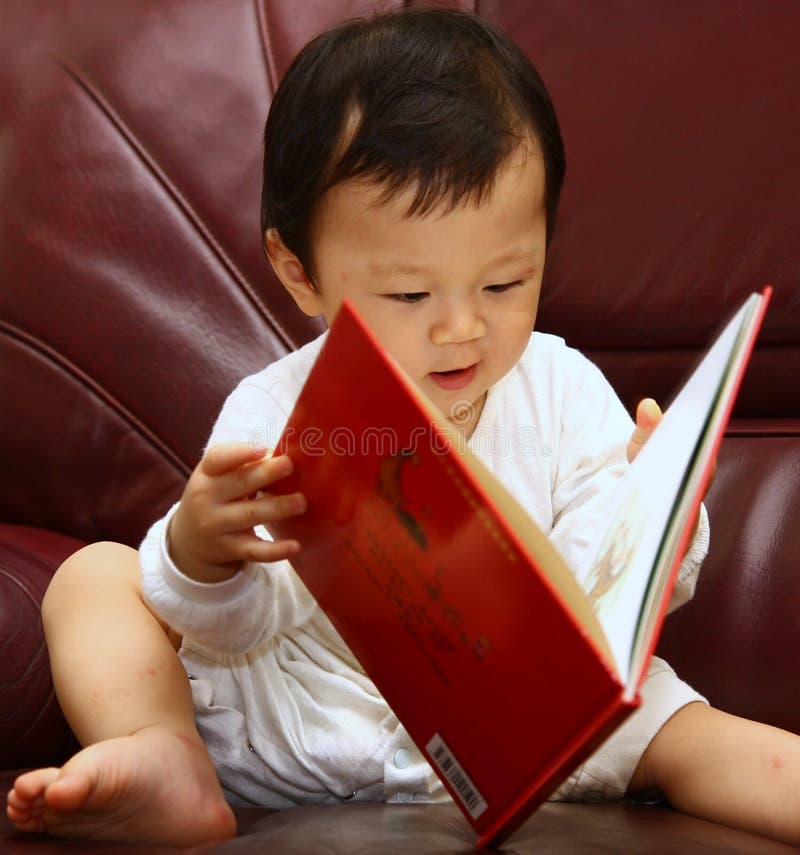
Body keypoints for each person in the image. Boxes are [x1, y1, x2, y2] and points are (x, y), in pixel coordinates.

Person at [7, 7, 800, 848]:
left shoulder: (561, 386)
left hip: (530, 723)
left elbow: (611, 609)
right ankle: (164, 755)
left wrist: (657, 508)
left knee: (699, 735)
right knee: (97, 575)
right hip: (311, 720)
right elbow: (242, 624)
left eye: (505, 283)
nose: (462, 328)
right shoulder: (280, 411)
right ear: (300, 272)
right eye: (411, 296)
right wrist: (203, 554)